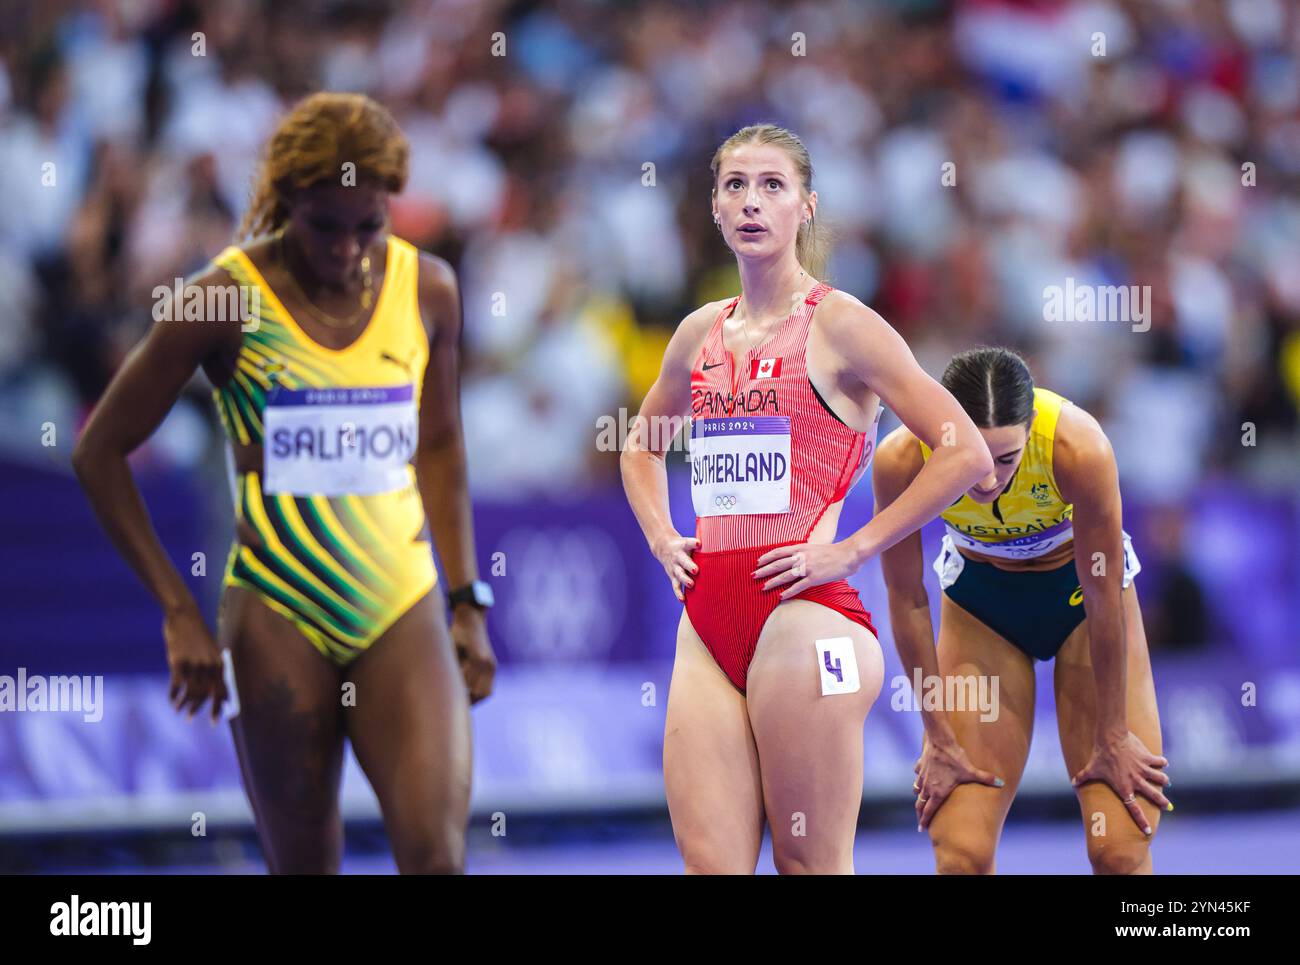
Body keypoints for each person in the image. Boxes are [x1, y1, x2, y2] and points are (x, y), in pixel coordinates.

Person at [72, 92, 496, 874]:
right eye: (324, 227)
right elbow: (98, 450)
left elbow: (439, 444)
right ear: (287, 200)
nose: (347, 249)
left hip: (399, 602)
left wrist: (466, 599)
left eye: (369, 225)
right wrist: (176, 609)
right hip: (276, 613)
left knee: (437, 855)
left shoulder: (427, 289)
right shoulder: (224, 299)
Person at [620, 123, 994, 874]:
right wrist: (664, 536)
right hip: (708, 619)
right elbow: (638, 446)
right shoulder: (697, 334)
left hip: (807, 615)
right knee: (711, 865)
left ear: (806, 207)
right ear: (715, 210)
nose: (751, 202)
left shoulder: (841, 325)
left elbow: (966, 451)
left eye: (772, 186)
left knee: (807, 861)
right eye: (735, 186)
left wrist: (854, 546)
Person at [872, 345, 1171, 874]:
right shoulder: (903, 458)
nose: (988, 481)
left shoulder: (1080, 448)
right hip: (982, 609)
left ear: (1031, 427)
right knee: (961, 855)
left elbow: (1103, 597)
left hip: (1080, 603)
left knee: (1119, 851)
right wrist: (937, 734)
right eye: (974, 460)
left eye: (1007, 458)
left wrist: (1113, 735)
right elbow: (908, 598)